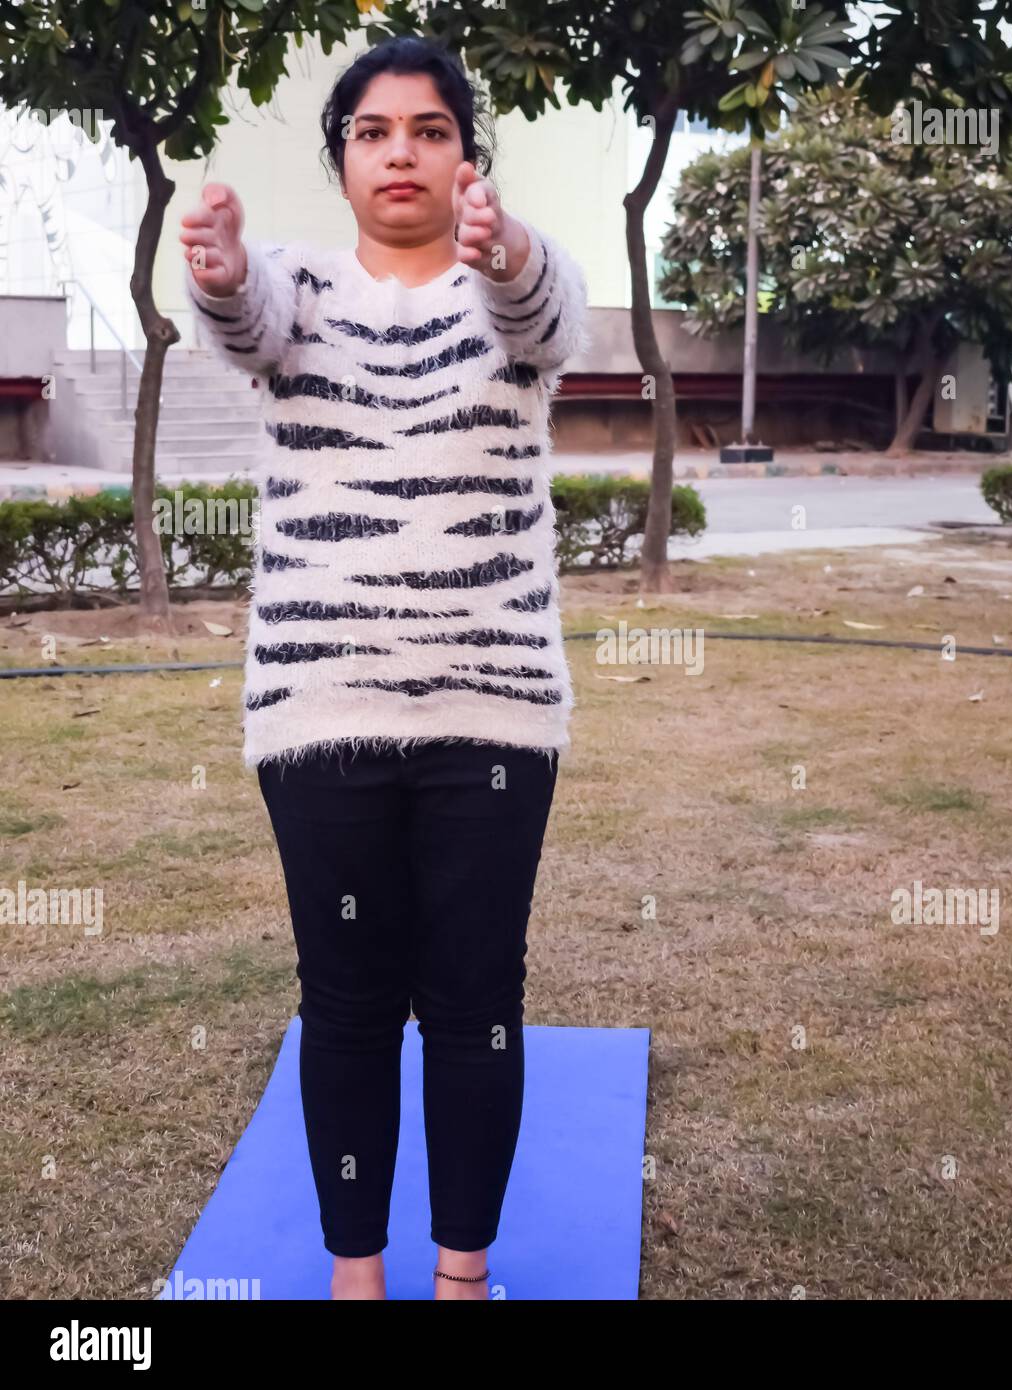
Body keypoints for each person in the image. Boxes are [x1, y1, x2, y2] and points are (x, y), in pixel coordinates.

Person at [178, 35, 589, 1300]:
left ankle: (461, 1277)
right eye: (372, 130)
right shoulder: (296, 286)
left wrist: (505, 250)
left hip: (492, 713)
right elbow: (241, 324)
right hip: (324, 711)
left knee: (475, 998)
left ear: (469, 156)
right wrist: (221, 268)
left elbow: (541, 308)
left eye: (427, 129)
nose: (400, 150)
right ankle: (356, 1278)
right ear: (343, 158)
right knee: (348, 1001)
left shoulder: (519, 282)